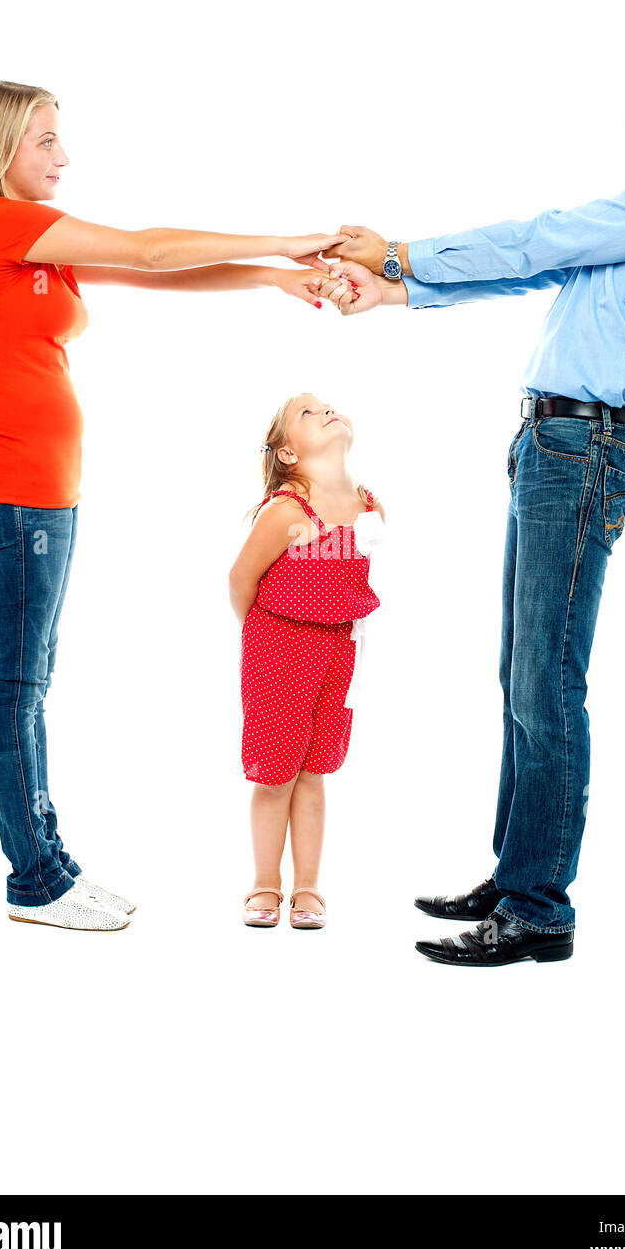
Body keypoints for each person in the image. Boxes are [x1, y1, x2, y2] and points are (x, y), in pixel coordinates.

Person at [314, 28, 625, 967]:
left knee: (547, 682)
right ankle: (516, 872)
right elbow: (551, 269)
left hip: (583, 446)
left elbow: (541, 238)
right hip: (557, 442)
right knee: (524, 674)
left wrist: (398, 251)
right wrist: (395, 292)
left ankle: (537, 908)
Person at [0, 79, 355, 932]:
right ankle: (36, 883)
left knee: (28, 685)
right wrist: (286, 238)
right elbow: (153, 248)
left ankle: (49, 864)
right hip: (11, 495)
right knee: (16, 688)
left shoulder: (31, 240)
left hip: (39, 498)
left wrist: (273, 279)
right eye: (45, 141)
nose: (63, 155)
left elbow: (162, 277)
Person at [229, 393, 385, 930]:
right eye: (307, 412)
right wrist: (264, 640)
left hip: (338, 648)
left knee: (314, 771)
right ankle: (265, 883)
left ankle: (309, 886)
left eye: (328, 406)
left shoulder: (369, 507)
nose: (327, 411)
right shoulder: (287, 513)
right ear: (288, 453)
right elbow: (241, 581)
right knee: (276, 774)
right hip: (279, 648)